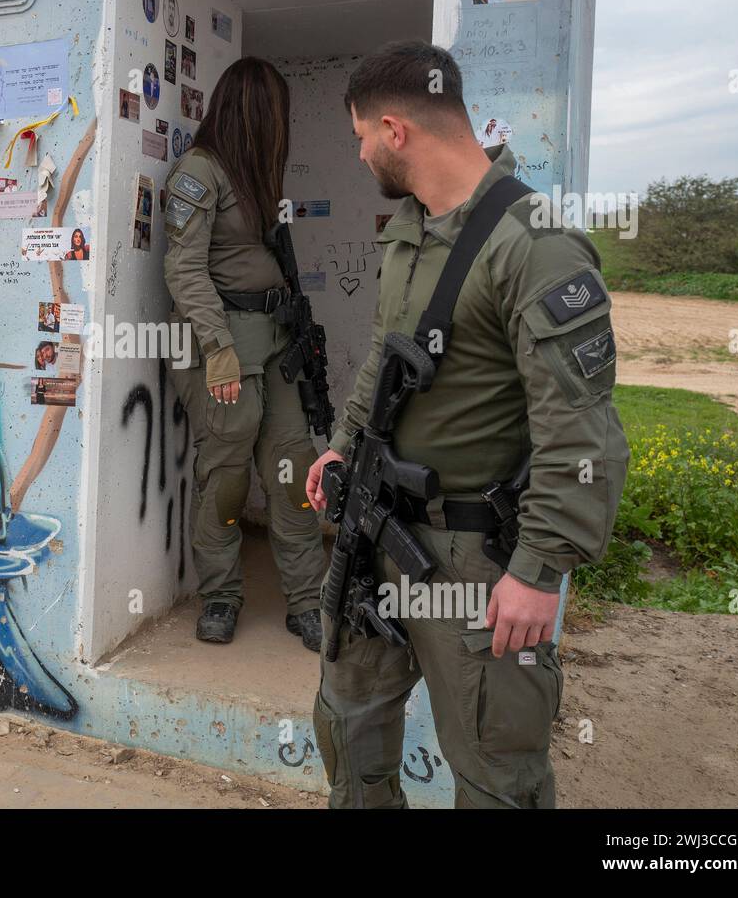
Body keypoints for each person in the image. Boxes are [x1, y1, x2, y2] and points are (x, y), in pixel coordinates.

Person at [305, 40, 628, 808]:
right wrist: (342, 448)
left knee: (495, 776)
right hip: (378, 531)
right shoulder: (408, 231)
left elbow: (581, 433)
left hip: (478, 565)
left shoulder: (536, 244)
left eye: (358, 138)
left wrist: (540, 567)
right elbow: (384, 364)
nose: (358, 156)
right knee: (349, 734)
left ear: (395, 129)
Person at [162, 56, 327, 652]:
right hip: (222, 347)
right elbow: (183, 269)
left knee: (290, 474)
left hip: (275, 344)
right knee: (226, 479)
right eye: (275, 115)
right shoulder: (198, 173)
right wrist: (218, 350)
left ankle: (308, 602)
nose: (282, 127)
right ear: (253, 114)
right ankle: (221, 597)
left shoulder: (254, 179)